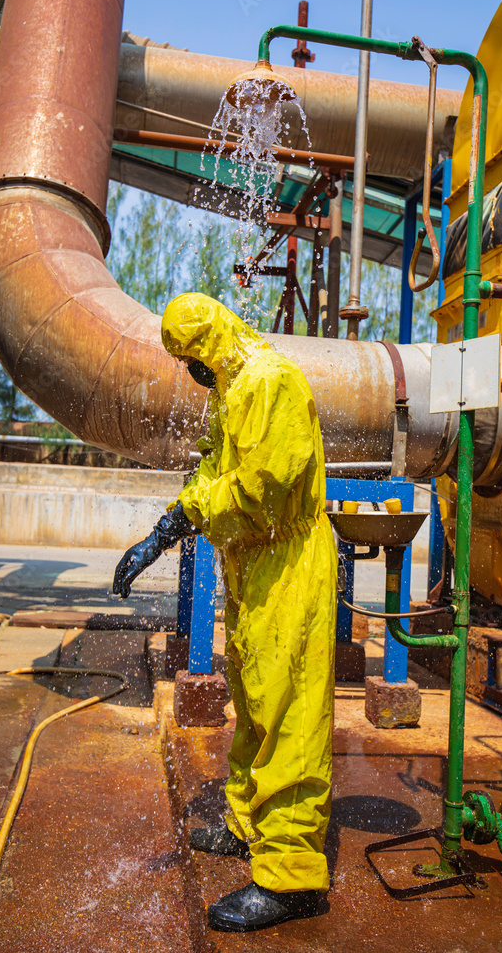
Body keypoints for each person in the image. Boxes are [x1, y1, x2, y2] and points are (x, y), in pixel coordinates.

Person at [113, 293, 337, 932]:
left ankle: (290, 876)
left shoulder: (270, 381)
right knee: (255, 698)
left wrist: (182, 519)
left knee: (289, 714)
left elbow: (257, 488)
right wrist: (163, 528)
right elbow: (214, 468)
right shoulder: (232, 388)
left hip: (288, 563)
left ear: (210, 343)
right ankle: (249, 825)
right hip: (255, 561)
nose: (191, 371)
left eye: (191, 357)